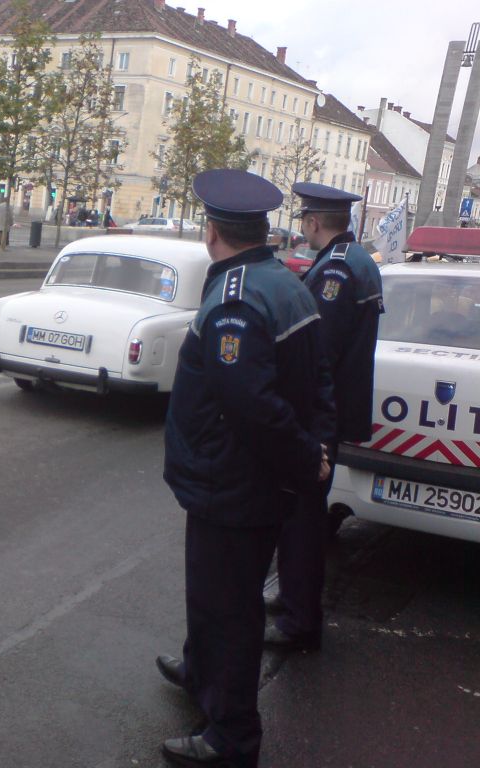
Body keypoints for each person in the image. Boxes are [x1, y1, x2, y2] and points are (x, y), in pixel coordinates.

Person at [157, 169, 334, 767]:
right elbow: (317, 379)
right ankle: (201, 674)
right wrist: (313, 450)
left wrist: (307, 456)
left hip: (231, 482)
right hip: (244, 480)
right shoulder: (282, 283)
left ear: (212, 232)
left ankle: (230, 737)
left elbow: (251, 405)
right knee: (216, 597)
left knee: (228, 608)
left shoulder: (236, 297)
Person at [265, 182, 384, 652]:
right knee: (302, 514)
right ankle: (294, 599)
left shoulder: (336, 269)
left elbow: (318, 351)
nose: (301, 227)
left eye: (303, 220)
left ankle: (300, 620)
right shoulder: (356, 258)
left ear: (314, 222)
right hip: (332, 410)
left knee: (301, 519)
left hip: (319, 414)